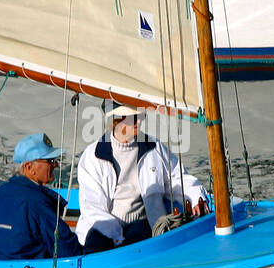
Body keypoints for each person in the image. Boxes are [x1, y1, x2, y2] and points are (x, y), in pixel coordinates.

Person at [76, 105, 208, 254]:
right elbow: (93, 208)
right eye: (133, 119)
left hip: (145, 227)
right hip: (106, 232)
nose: (139, 122)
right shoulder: (93, 156)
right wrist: (119, 239)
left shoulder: (154, 147)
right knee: (97, 242)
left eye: (140, 117)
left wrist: (197, 197)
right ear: (116, 121)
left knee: (140, 232)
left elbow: (178, 178)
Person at [0, 134, 84, 261]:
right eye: (50, 161)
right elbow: (68, 251)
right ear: (29, 167)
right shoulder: (37, 203)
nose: (56, 165)